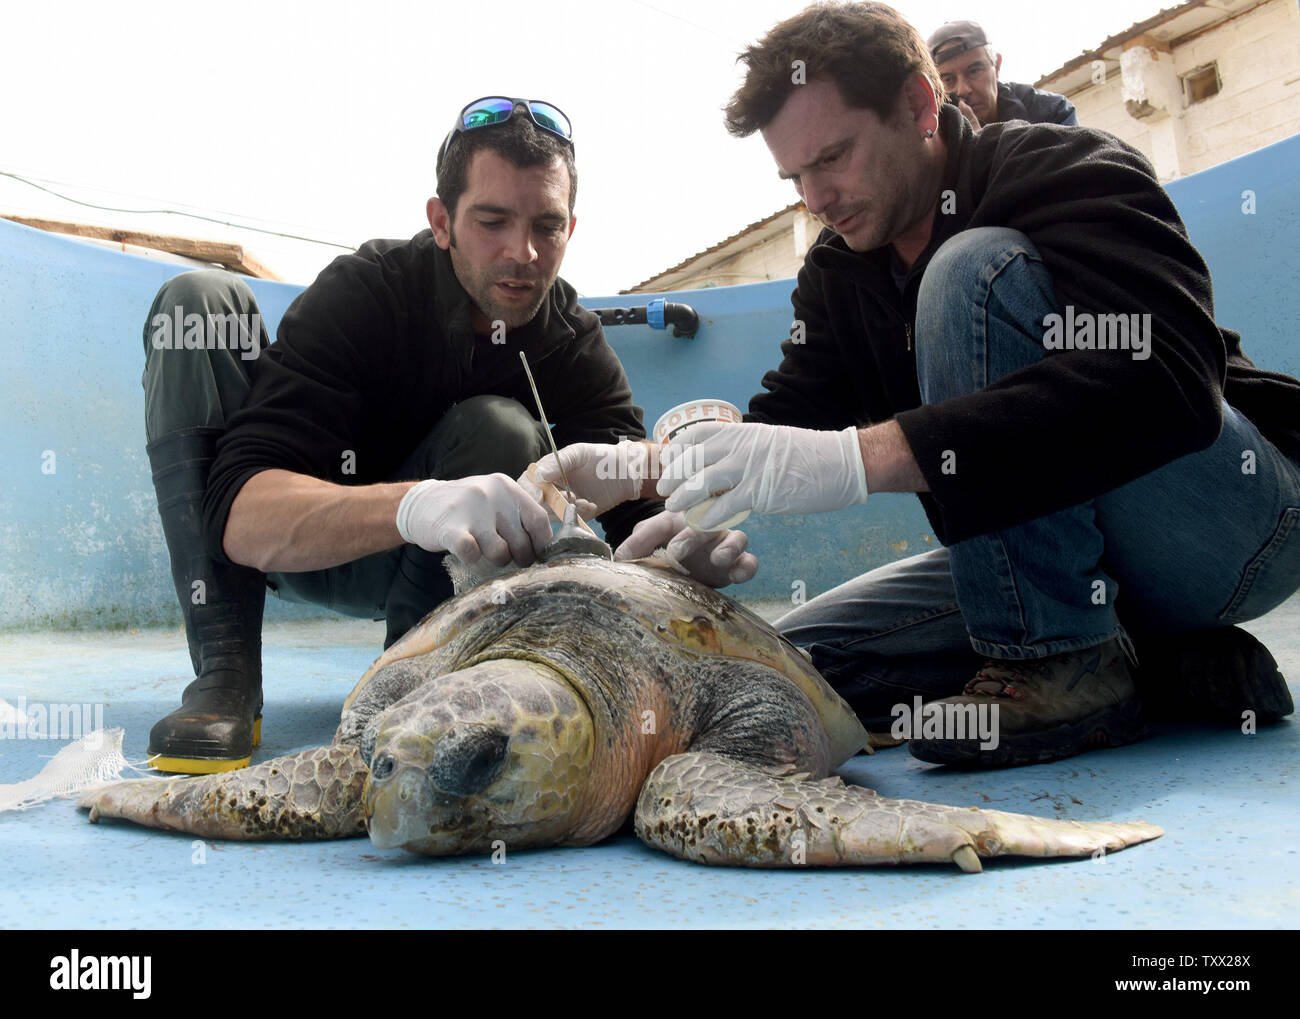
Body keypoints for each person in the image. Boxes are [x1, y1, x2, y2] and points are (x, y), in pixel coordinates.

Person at [543, 1, 1300, 768]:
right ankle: (1153, 662)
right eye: (795, 175)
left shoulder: (1061, 168)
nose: (816, 199)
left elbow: (1170, 383)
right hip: (1073, 567)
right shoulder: (841, 275)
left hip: (1235, 526)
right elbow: (779, 426)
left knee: (969, 271)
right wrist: (650, 479)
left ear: (917, 104)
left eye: (833, 157)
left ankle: (1057, 660)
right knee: (788, 665)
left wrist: (858, 460)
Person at [140, 96, 749, 775]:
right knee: (196, 302)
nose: (522, 253)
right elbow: (239, 519)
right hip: (302, 543)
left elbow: (642, 525)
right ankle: (225, 675)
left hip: (444, 572)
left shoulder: (573, 344)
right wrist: (416, 503)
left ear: (571, 228)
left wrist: (680, 560)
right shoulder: (364, 295)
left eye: (547, 226)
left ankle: (414, 686)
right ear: (441, 221)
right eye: (492, 221)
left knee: (498, 426)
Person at [927, 19, 1077, 129]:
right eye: (948, 79)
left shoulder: (1051, 111)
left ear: (996, 65)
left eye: (974, 71)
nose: (962, 90)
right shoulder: (933, 136)